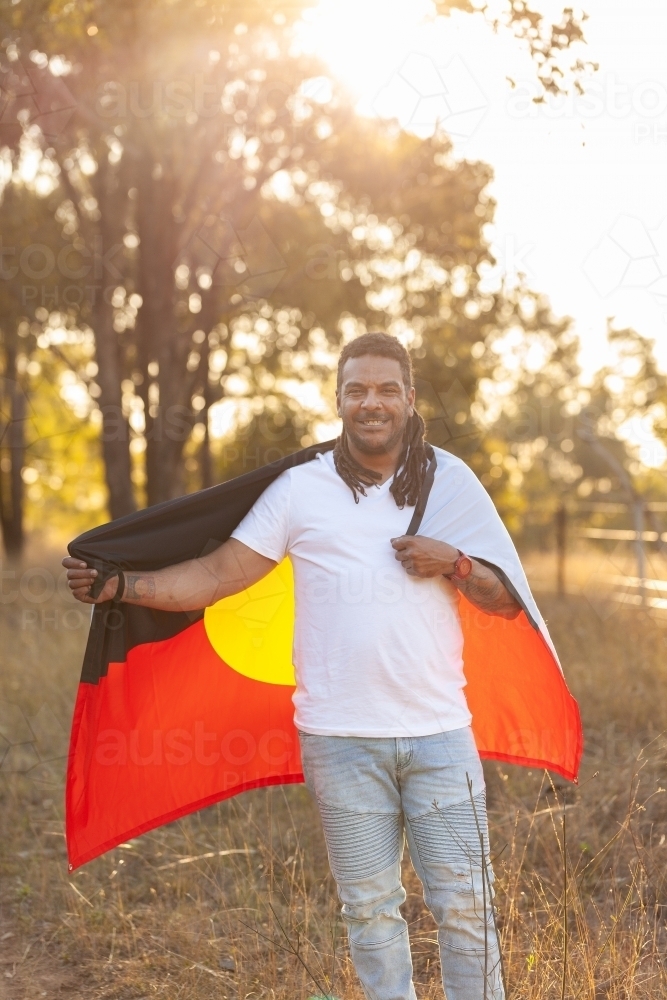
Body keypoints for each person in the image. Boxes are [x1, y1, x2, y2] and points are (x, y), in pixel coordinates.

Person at [65, 332, 520, 1000]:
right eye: (357, 389)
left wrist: (452, 562)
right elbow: (217, 574)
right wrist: (122, 588)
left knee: (467, 911)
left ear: (409, 399)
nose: (372, 402)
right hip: (339, 742)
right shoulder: (299, 490)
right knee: (368, 912)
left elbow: (508, 599)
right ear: (337, 399)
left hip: (439, 736)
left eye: (386, 389)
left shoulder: (450, 483)